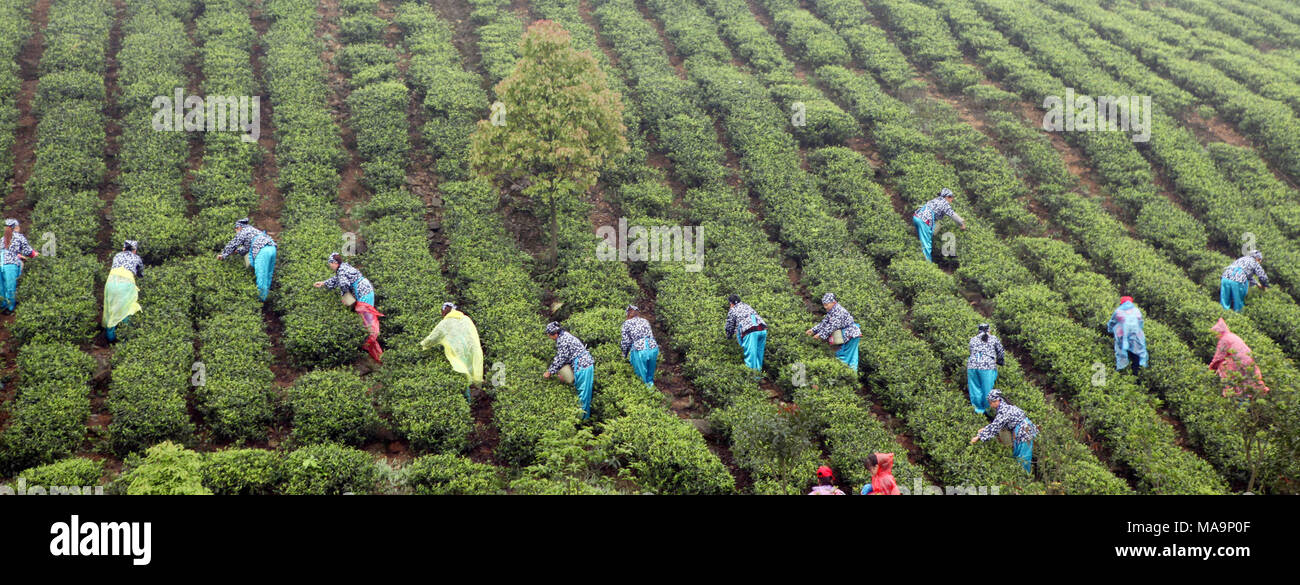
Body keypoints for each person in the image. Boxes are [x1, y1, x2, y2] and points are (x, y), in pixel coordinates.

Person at [314, 253, 384, 363]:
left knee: (367, 319)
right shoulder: (344, 267)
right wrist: (323, 283)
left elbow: (344, 284)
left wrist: (346, 297)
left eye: (330, 264)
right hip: (366, 290)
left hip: (363, 293)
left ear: (335, 263)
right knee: (365, 317)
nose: (330, 266)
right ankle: (369, 341)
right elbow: (337, 279)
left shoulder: (342, 271)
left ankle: (370, 343)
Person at [421, 302, 485, 402]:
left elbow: (432, 338)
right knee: (470, 368)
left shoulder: (445, 323)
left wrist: (423, 345)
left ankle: (468, 400)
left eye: (442, 312)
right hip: (471, 348)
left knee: (462, 371)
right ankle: (474, 392)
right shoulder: (465, 319)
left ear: (445, 312)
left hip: (457, 351)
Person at [970, 389, 1038, 475]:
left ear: (997, 400)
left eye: (991, 403)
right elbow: (997, 423)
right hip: (1022, 430)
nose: (991, 405)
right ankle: (1020, 476)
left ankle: (1024, 477)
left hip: (1024, 431)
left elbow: (996, 426)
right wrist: (985, 429)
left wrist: (978, 437)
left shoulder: (1004, 410)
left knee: (1023, 456)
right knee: (1019, 453)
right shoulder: (1004, 408)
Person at [543, 321, 596, 420]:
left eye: (549, 335)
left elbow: (561, 358)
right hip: (584, 365)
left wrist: (549, 372)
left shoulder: (563, 340)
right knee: (584, 393)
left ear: (555, 334)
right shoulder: (564, 335)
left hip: (583, 366)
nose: (550, 338)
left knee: (583, 395)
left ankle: (583, 420)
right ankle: (583, 418)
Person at [215, 217, 277, 301]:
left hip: (263, 251)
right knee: (268, 274)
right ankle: (266, 297)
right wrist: (237, 251)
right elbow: (246, 248)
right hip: (272, 248)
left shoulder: (244, 231)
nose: (236, 232)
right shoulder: (253, 230)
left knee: (261, 275)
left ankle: (260, 301)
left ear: (239, 227)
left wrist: (223, 255)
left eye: (236, 230)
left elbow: (233, 243)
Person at [1209, 318, 1269, 400]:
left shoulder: (1224, 339)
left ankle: (1235, 397)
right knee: (1248, 380)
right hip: (1248, 360)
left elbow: (1218, 357)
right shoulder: (1232, 335)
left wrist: (1211, 368)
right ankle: (1251, 396)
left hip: (1239, 361)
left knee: (1225, 368)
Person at [806, 293, 862, 371]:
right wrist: (813, 330)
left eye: (827, 305)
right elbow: (824, 323)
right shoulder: (832, 311)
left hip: (851, 335)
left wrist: (820, 335)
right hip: (847, 335)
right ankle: (849, 375)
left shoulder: (839, 312)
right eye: (824, 305)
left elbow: (832, 326)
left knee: (847, 356)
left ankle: (846, 375)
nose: (825, 307)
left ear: (833, 302)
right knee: (851, 356)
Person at [103, 240, 144, 343]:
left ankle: (110, 337)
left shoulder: (117, 256)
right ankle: (125, 335)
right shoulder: (137, 258)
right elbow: (140, 274)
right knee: (126, 307)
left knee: (111, 307)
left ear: (123, 249)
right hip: (126, 285)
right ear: (134, 250)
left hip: (111, 283)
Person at [911, 188, 967, 262]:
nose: (952, 199)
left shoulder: (936, 200)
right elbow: (953, 215)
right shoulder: (945, 204)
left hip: (916, 216)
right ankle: (927, 264)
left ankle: (917, 250)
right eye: (951, 197)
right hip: (924, 221)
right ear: (946, 197)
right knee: (927, 244)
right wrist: (962, 223)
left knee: (927, 234)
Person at [1, 218, 39, 314]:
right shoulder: (18, 237)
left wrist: (18, 255)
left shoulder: (3, 238)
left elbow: (6, 251)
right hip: (10, 265)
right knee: (11, 286)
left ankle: (2, 305)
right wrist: (35, 255)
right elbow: (28, 251)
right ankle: (9, 308)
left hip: (1, 263)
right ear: (16, 227)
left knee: (2, 286)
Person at [966, 323, 1005, 415]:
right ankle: (987, 410)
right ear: (989, 330)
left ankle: (977, 410)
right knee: (987, 389)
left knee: (975, 388)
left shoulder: (973, 339)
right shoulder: (993, 338)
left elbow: (971, 351)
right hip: (987, 366)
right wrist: (1000, 362)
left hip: (972, 366)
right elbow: (1000, 352)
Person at [724, 294, 767, 372]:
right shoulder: (747, 306)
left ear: (731, 303)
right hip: (762, 329)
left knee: (751, 356)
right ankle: (758, 375)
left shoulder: (733, 310)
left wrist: (728, 337)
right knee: (758, 354)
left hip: (751, 331)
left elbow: (729, 326)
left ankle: (751, 379)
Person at [1106, 296, 1148, 371]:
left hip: (1122, 336)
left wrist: (1109, 330)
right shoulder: (1136, 311)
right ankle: (1136, 373)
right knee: (1136, 356)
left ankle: (1121, 372)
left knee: (1121, 354)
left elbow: (1112, 322)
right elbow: (1141, 323)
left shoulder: (1118, 311)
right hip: (1136, 336)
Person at [620, 304, 659, 386]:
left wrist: (624, 354)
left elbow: (626, 341)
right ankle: (652, 393)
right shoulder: (645, 321)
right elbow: (651, 335)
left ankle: (645, 396)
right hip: (653, 347)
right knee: (650, 376)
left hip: (640, 349)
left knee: (641, 378)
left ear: (628, 313)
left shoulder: (626, 323)